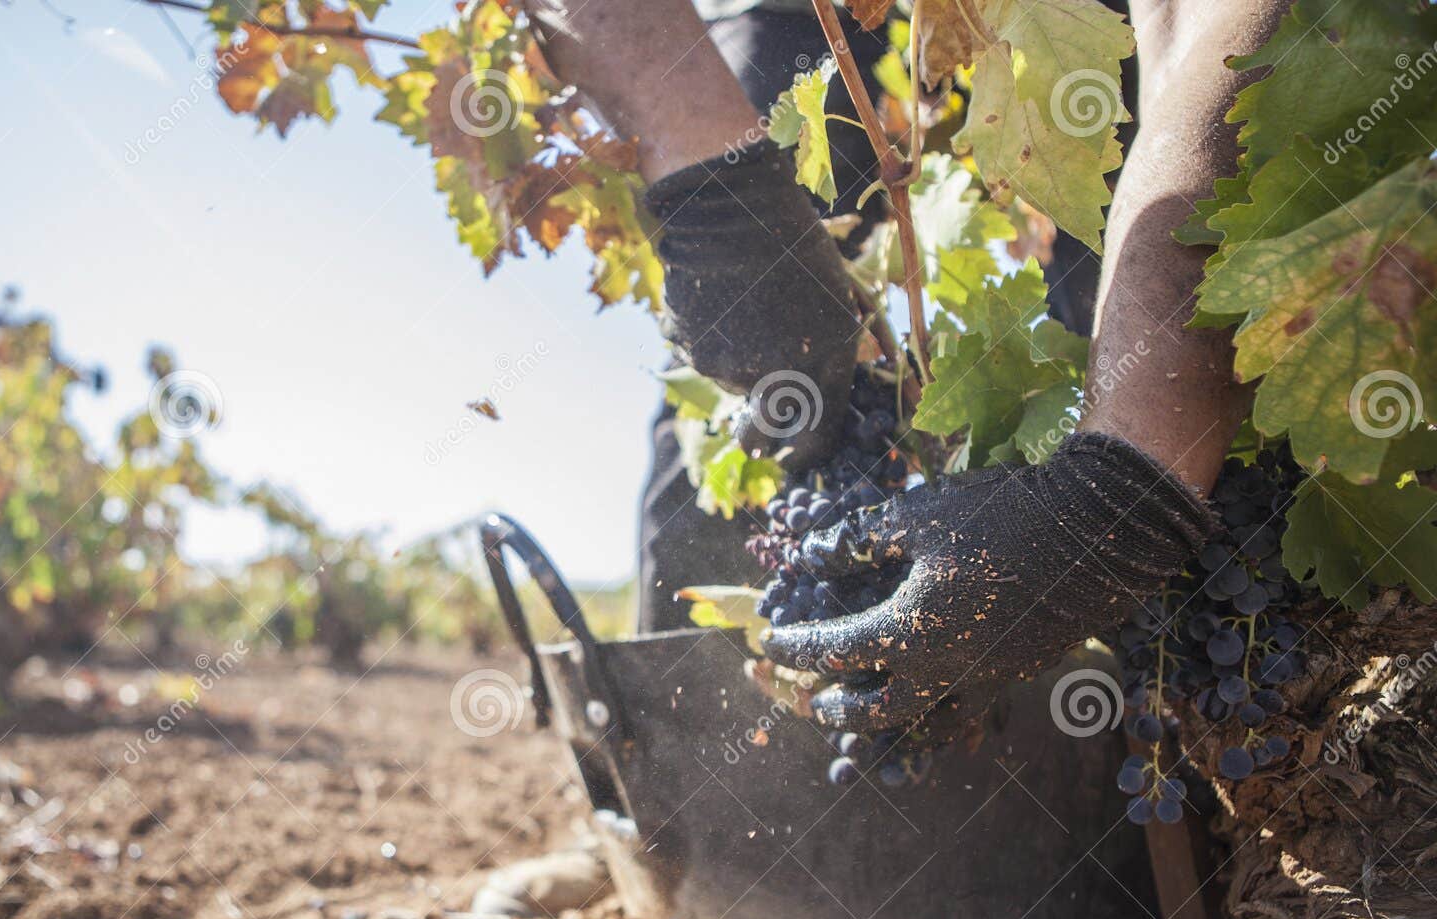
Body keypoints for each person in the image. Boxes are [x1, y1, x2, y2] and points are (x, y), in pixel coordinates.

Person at [522, 0, 1289, 735]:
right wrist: (713, 195)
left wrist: (1127, 487)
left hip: (1062, 17)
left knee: (1115, 311)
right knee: (741, 346)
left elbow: (1208, 32)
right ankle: (679, 788)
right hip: (798, 14)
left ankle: (1127, 750)